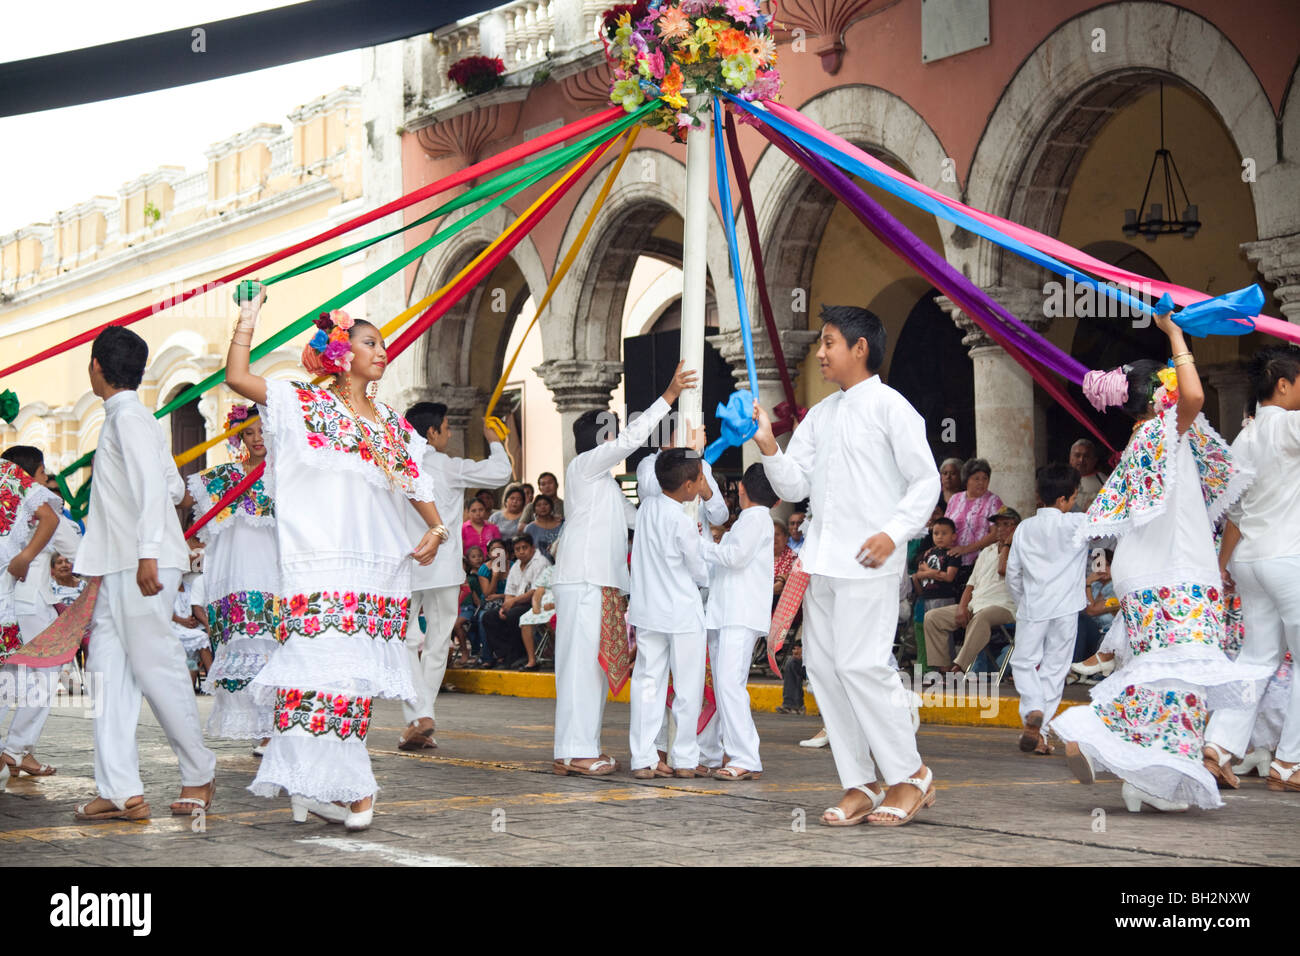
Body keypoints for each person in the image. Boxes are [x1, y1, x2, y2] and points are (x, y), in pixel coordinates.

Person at [224, 287, 446, 831]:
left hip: (376, 571)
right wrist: (247, 322)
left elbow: (416, 482)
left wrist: (437, 527)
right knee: (318, 676)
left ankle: (318, 789)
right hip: (319, 566)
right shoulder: (308, 404)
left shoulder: (392, 423)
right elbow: (237, 378)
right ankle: (339, 785)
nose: (382, 349)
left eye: (385, 342)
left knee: (353, 681)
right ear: (342, 352)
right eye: (370, 341)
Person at [1054, 310, 1267, 813]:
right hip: (1170, 574)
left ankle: (1149, 775)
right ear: (1159, 395)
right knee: (1178, 678)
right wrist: (1174, 334)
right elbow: (1193, 396)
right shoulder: (1160, 433)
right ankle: (1100, 738)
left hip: (1165, 573)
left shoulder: (1160, 438)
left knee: (1172, 681)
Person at [755, 304, 939, 827]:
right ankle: (861, 782)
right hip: (823, 561)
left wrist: (894, 533)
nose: (820, 352)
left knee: (863, 666)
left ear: (860, 348)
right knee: (827, 671)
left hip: (869, 560)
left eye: (830, 341)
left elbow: (925, 481)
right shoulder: (823, 414)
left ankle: (912, 775)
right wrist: (769, 444)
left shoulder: (892, 407)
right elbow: (794, 486)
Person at [70, 325, 217, 822]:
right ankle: (118, 789)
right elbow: (174, 488)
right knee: (107, 675)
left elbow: (158, 491)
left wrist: (149, 552)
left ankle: (199, 771)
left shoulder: (128, 417)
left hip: (141, 564)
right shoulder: (135, 417)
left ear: (96, 366)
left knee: (157, 668)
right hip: (122, 564)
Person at [552, 361, 696, 776]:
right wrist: (669, 395)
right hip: (584, 579)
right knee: (580, 667)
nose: (621, 440)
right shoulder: (584, 467)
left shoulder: (607, 487)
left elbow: (645, 518)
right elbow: (633, 439)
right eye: (614, 434)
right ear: (602, 440)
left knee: (588, 666)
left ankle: (575, 751)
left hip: (598, 582)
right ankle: (576, 751)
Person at [1203, 345, 1300, 791]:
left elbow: (1235, 516)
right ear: (1283, 384)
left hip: (1251, 562)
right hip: (1288, 559)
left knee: (1255, 658)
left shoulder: (1243, 437)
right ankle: (1289, 763)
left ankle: (1219, 747)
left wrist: (1222, 567)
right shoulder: (1288, 426)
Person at [399, 402, 510, 751]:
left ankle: (420, 716)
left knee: (404, 641)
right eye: (446, 427)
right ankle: (422, 716)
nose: (449, 433)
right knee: (436, 644)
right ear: (431, 432)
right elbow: (500, 473)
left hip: (406, 564)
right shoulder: (444, 465)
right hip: (443, 566)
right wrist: (494, 440)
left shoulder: (396, 462)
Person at [187, 406, 281, 752]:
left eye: (262, 431)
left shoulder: (283, 475)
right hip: (233, 578)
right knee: (244, 648)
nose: (257, 439)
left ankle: (274, 727)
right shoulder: (224, 477)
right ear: (239, 437)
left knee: (274, 649)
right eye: (249, 433)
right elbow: (183, 496)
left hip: (273, 575)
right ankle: (261, 728)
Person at [627, 448, 713, 778]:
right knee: (687, 687)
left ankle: (643, 759)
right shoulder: (682, 520)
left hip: (648, 611)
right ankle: (686, 759)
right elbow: (699, 571)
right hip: (681, 612)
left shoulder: (646, 507)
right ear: (690, 486)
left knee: (647, 683)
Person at [701, 463, 779, 781]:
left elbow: (734, 558)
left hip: (739, 612)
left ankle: (746, 756)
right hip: (728, 611)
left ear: (741, 489)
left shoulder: (755, 518)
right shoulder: (752, 519)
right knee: (724, 685)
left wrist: (700, 545)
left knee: (730, 685)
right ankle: (721, 750)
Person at [1005, 464, 1089, 754]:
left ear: (1038, 494)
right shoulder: (1079, 522)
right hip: (1066, 608)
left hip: (1033, 605)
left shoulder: (1024, 528)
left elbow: (1013, 573)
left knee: (1024, 662)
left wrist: (1022, 601)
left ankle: (1033, 710)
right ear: (1069, 497)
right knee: (1055, 668)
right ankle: (1039, 729)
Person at [0, 449, 62, 786]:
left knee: (14, 681)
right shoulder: (11, 478)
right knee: (31, 680)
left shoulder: (9, 479)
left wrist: (25, 557)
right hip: (28, 605)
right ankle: (16, 749)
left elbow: (50, 518)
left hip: (9, 596)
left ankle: (15, 750)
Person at [923, 508, 1019, 674]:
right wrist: (962, 607)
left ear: (1017, 528)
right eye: (997, 525)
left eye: (1006, 524)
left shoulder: (1022, 550)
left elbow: (1003, 570)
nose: (1001, 529)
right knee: (932, 617)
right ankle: (944, 670)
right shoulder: (986, 551)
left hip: (1004, 607)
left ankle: (959, 668)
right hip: (977, 604)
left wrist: (1008, 544)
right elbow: (971, 584)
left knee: (981, 617)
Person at [482, 535, 550, 670]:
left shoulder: (540, 562)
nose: (521, 551)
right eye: (517, 549)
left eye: (525, 548)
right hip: (517, 603)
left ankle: (520, 654)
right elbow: (510, 591)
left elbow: (535, 591)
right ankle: (507, 654)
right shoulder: (516, 565)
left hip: (537, 602)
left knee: (513, 615)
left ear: (532, 548)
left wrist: (511, 603)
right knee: (489, 617)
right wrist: (505, 606)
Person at [945, 458, 1004, 567]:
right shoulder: (954, 499)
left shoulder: (994, 501)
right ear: (966, 480)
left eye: (985, 478)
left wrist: (966, 549)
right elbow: (944, 527)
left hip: (980, 562)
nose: (981, 483)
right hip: (952, 562)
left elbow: (996, 534)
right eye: (976, 479)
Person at [911, 516, 960, 616]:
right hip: (927, 597)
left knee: (941, 626)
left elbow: (949, 577)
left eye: (944, 533)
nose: (939, 537)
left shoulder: (952, 553)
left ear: (953, 536)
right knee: (928, 626)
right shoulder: (929, 552)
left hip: (944, 597)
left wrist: (928, 571)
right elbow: (919, 574)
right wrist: (932, 573)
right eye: (936, 533)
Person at [1068, 439, 1109, 514]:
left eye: (1086, 456)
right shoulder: (1061, 480)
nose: (1081, 460)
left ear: (1094, 460)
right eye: (1077, 455)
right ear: (1070, 458)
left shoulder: (1106, 482)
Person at [523, 493, 564, 561]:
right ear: (534, 509)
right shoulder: (529, 528)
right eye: (538, 505)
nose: (542, 507)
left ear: (551, 506)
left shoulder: (562, 524)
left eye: (546, 504)